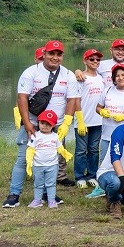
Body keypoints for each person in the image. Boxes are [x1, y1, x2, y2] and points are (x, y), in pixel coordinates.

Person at [5, 40, 80, 209]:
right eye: (51, 54)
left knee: (50, 160)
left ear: (62, 56)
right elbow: (22, 98)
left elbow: (72, 100)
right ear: (44, 54)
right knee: (24, 159)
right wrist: (27, 123)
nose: (55, 57)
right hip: (32, 124)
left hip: (55, 126)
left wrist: (66, 124)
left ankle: (47, 193)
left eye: (59, 54)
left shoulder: (68, 75)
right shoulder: (31, 72)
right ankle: (14, 194)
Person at [25, 110, 72, 208]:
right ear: (38, 122)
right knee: (38, 184)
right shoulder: (35, 135)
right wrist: (29, 163)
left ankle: (51, 200)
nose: (45, 126)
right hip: (37, 165)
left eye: (48, 124)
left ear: (53, 125)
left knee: (51, 184)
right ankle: (37, 200)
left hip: (52, 165)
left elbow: (60, 149)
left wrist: (66, 154)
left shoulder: (56, 137)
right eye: (42, 123)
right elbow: (30, 149)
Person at [75, 48, 105, 189]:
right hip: (83, 120)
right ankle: (79, 176)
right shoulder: (80, 77)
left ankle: (91, 175)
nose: (95, 61)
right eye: (91, 59)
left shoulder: (101, 78)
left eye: (97, 59)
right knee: (81, 150)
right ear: (84, 60)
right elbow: (75, 99)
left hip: (98, 121)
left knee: (94, 149)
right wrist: (79, 119)